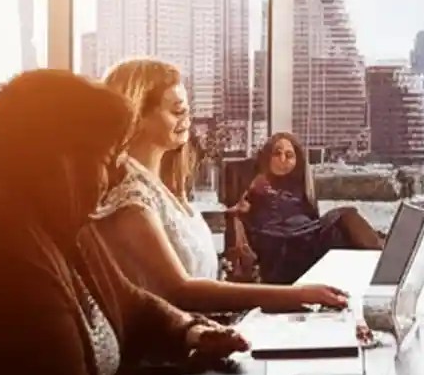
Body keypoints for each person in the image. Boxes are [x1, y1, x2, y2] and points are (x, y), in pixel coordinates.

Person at [0, 69, 249, 375]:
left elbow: (129, 304)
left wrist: (191, 333)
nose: (108, 177)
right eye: (104, 160)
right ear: (60, 162)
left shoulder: (56, 221)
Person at [93, 58, 348, 312]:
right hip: (182, 343)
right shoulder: (130, 198)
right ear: (137, 116)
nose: (187, 119)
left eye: (187, 110)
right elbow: (180, 291)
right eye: (177, 111)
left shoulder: (163, 187)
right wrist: (297, 295)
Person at [232, 132, 381, 284]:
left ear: (297, 161)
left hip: (305, 239)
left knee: (348, 233)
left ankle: (379, 263)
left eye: (289, 156)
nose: (282, 160)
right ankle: (384, 261)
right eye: (277, 154)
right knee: (347, 215)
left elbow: (311, 217)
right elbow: (237, 211)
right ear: (267, 156)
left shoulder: (298, 189)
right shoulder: (256, 185)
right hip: (283, 246)